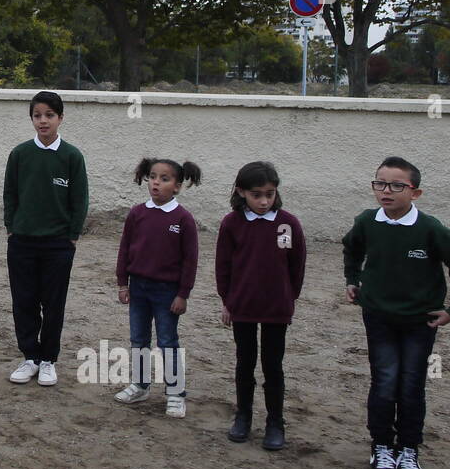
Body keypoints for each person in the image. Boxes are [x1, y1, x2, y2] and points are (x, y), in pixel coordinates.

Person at [343, 156, 450, 469]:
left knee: (412, 385)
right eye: (380, 184)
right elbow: (351, 249)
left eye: (397, 185)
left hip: (419, 322)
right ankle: (382, 447)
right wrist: (352, 279)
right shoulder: (367, 221)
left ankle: (408, 450)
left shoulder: (430, 229)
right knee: (385, 381)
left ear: (415, 193)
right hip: (379, 318)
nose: (386, 191)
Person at [215, 161, 306, 451]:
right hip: (243, 306)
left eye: (269, 193)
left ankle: (275, 422)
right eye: (256, 195)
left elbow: (297, 265)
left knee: (273, 366)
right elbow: (223, 266)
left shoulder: (288, 223)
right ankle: (243, 416)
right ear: (242, 192)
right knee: (245, 363)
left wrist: (288, 298)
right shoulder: (232, 223)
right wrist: (227, 300)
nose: (264, 201)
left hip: (276, 308)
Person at [3, 91, 86, 386]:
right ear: (31, 119)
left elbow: (80, 199)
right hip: (22, 242)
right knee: (24, 301)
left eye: (49, 115)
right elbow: (10, 194)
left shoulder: (72, 156)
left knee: (53, 304)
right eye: (37, 115)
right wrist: (11, 228)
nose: (43, 121)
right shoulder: (20, 154)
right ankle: (31, 357)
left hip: (58, 245)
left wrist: (72, 236)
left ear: (60, 118)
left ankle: (49, 359)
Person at [114, 157, 200, 417]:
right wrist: (122, 283)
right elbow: (125, 249)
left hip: (167, 292)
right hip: (138, 288)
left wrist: (183, 294)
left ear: (177, 186)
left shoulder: (183, 219)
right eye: (153, 177)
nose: (157, 183)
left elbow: (190, 260)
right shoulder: (137, 213)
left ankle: (175, 393)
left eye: (165, 179)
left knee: (167, 341)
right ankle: (140, 385)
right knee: (138, 339)